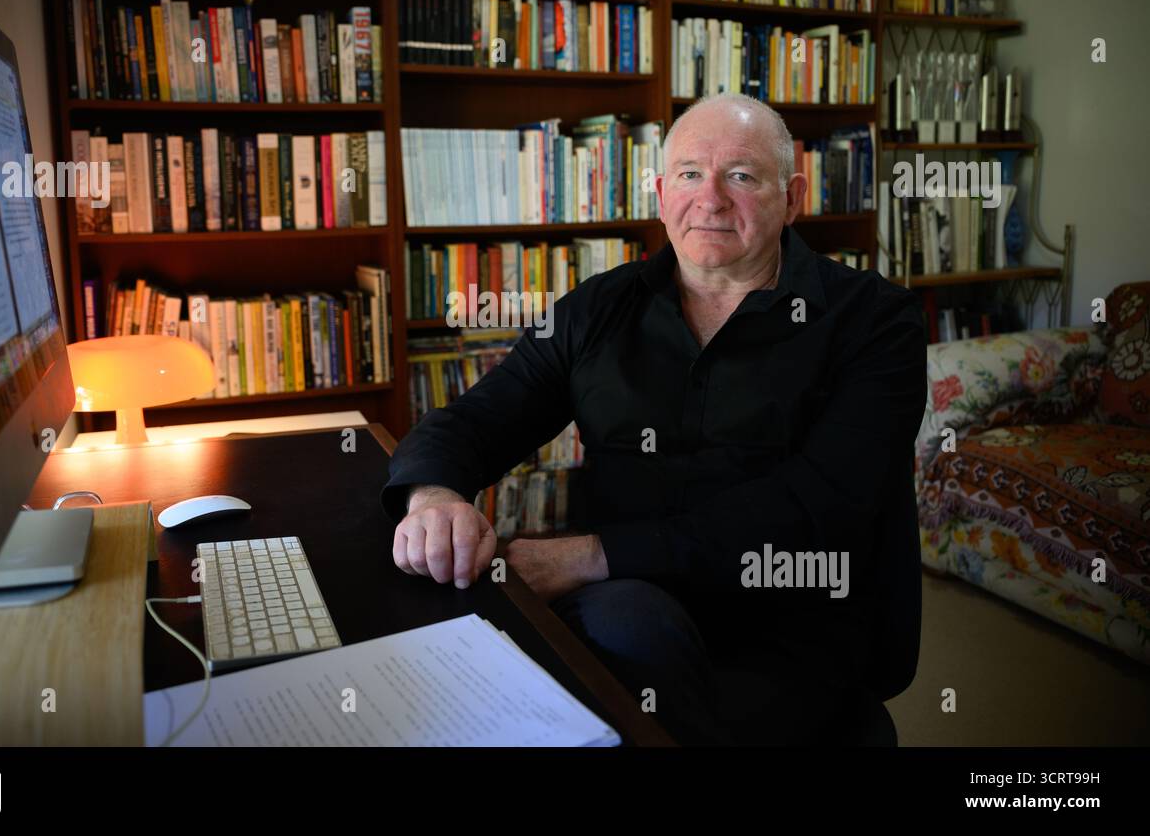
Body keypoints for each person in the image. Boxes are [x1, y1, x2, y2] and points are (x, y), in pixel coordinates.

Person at [381, 93, 928, 744]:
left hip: (791, 617)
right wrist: (435, 495)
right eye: (691, 175)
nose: (712, 199)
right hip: (629, 604)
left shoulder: (875, 321)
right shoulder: (599, 309)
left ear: (794, 197)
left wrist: (590, 556)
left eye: (743, 176)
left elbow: (819, 506)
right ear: (663, 192)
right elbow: (482, 415)